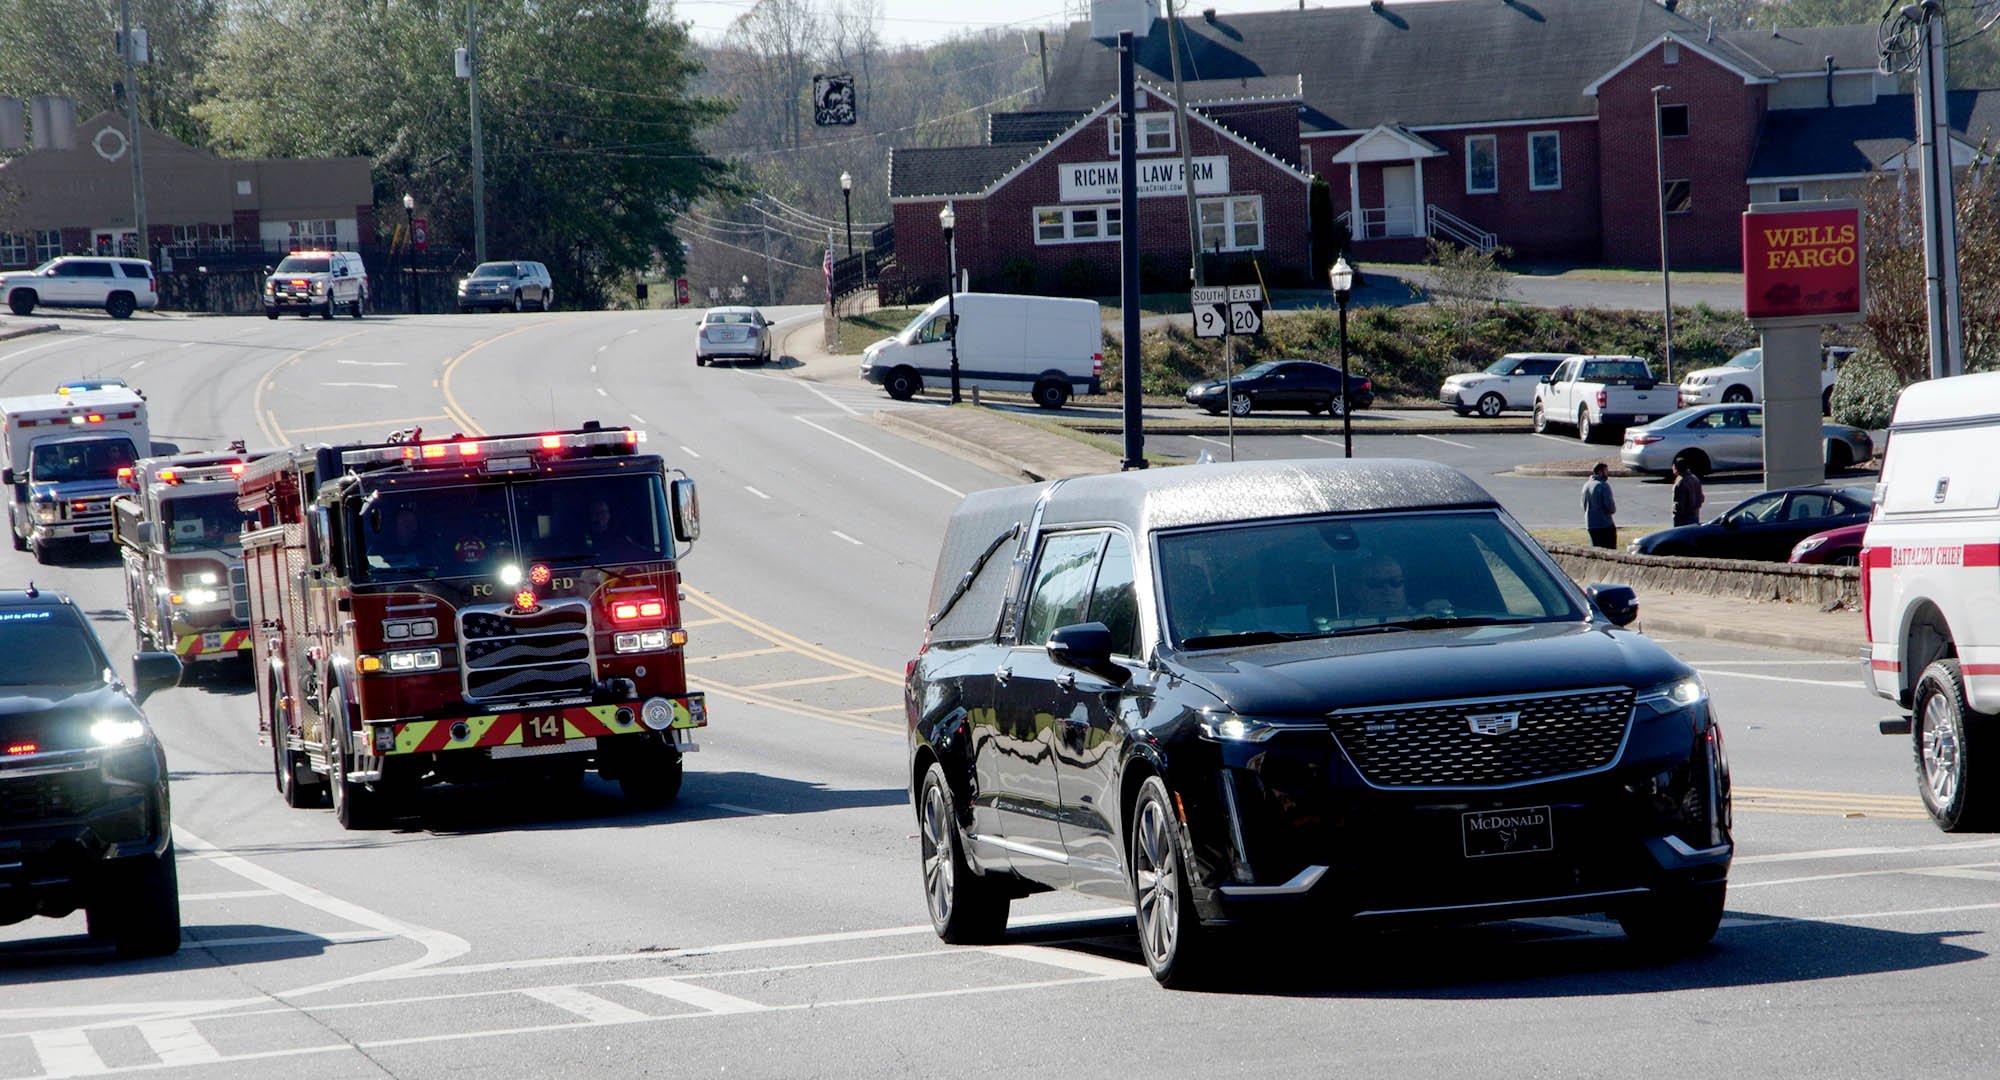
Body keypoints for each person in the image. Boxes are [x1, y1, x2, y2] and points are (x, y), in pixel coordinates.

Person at [1582, 461, 1618, 549]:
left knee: (1596, 550)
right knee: (1610, 550)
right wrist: (1612, 510)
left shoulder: (1586, 485)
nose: (1607, 474)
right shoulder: (1603, 485)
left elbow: (1583, 504)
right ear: (1600, 472)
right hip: (1604, 524)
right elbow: (1610, 505)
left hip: (1590, 524)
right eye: (1606, 471)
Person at [1671, 460, 1704, 527]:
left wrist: (1675, 514)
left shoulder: (1680, 482)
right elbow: (1701, 497)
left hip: (1683, 519)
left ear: (1676, 468)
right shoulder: (1695, 478)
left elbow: (1679, 504)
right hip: (1695, 515)